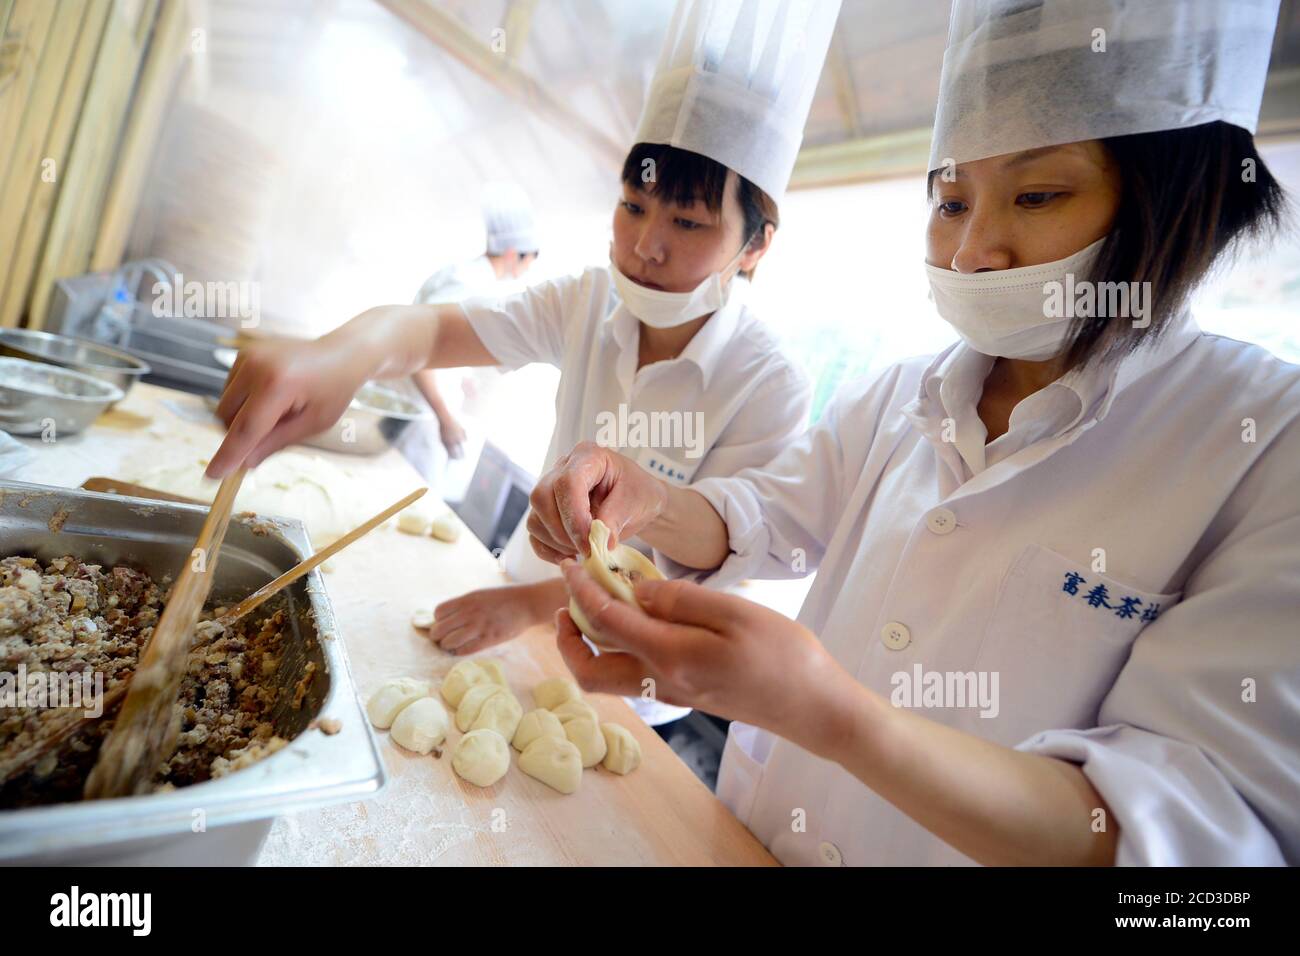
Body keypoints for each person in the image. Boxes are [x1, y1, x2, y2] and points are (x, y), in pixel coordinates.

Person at [528, 0, 1300, 865]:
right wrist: (646, 497)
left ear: (1179, 196)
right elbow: (768, 519)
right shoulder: (906, 389)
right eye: (951, 199)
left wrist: (830, 716)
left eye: (1038, 194)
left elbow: (1207, 852)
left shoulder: (1265, 447)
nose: (971, 251)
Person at [205, 0, 841, 728]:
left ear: (756, 245)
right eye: (634, 206)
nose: (647, 246)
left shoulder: (770, 383)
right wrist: (337, 356)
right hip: (510, 603)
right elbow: (426, 333)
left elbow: (722, 549)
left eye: (689, 223)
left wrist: (532, 605)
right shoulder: (589, 300)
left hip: (628, 678)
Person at [405, 183, 539, 479]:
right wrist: (445, 418)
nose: (530, 267)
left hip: (420, 414)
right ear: (514, 253)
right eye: (532, 257)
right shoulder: (470, 285)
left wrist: (456, 377)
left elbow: (436, 343)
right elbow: (418, 351)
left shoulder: (467, 274)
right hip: (417, 421)